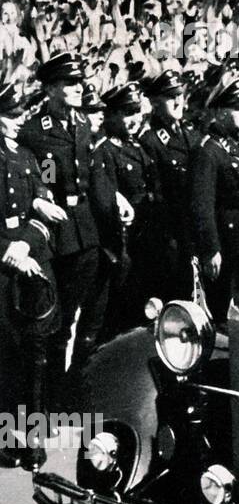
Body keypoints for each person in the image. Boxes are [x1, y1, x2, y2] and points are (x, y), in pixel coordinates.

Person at [18, 50, 100, 396]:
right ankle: (53, 393)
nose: (79, 88)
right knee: (59, 321)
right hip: (58, 233)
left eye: (79, 81)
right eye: (70, 83)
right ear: (51, 89)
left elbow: (89, 174)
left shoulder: (82, 124)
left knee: (84, 317)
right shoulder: (36, 132)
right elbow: (41, 178)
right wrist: (45, 197)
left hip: (86, 229)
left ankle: (74, 387)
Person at [0, 79, 59, 470]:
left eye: (23, 113)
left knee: (37, 356)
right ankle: (7, 436)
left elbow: (44, 210)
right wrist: (9, 252)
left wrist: (27, 245)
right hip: (4, 269)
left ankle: (34, 436)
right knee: (6, 356)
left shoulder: (28, 155)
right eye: (11, 114)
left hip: (33, 264)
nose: (20, 120)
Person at [191, 77, 239, 322]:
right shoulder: (210, 150)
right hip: (232, 240)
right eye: (238, 109)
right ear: (220, 113)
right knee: (230, 310)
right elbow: (203, 204)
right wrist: (211, 247)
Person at [88, 82, 156, 341]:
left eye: (136, 112)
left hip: (145, 240)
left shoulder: (136, 147)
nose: (134, 120)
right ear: (111, 115)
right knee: (118, 315)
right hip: (123, 244)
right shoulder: (104, 150)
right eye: (127, 113)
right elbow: (106, 202)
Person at [139, 69, 201, 301]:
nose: (178, 101)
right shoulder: (150, 140)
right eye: (170, 96)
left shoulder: (191, 132)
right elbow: (155, 192)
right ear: (155, 102)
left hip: (195, 225)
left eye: (180, 95)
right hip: (171, 231)